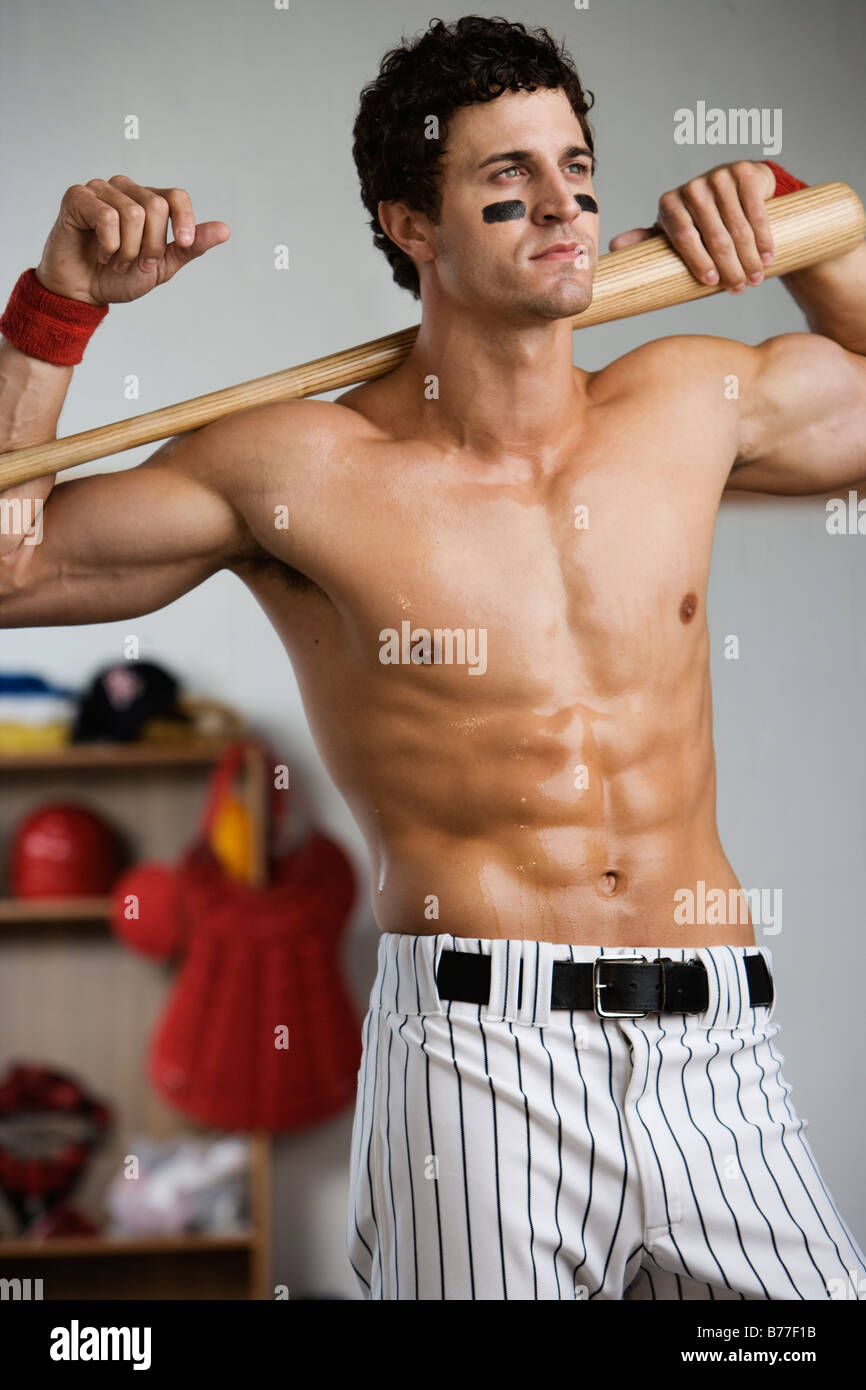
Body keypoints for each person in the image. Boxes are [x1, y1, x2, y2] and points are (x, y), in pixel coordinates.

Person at [1, 16, 864, 1300]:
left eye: (576, 167)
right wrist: (59, 307)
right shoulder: (296, 471)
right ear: (409, 225)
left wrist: (808, 233)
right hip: (477, 1056)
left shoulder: (693, 400)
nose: (563, 205)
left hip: (713, 1045)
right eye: (505, 181)